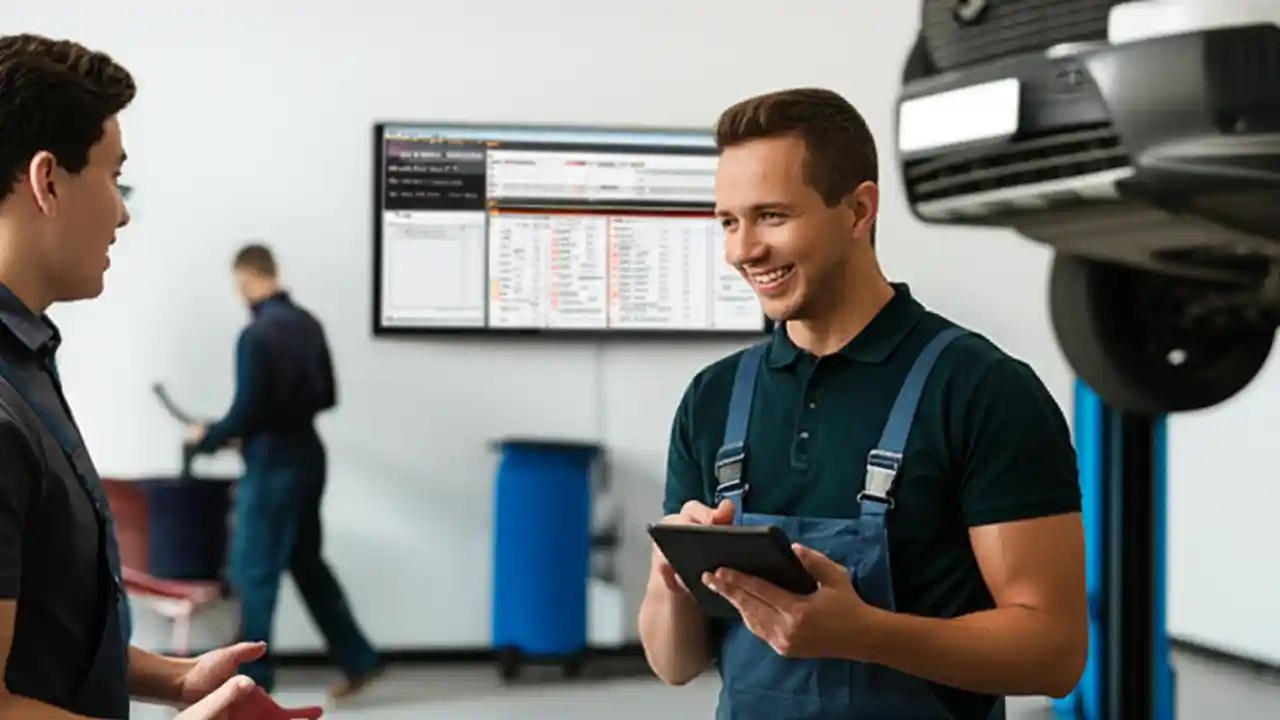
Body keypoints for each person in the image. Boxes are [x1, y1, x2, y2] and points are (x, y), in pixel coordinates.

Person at [638, 88, 1088, 719]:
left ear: (858, 211)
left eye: (771, 216)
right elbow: (675, 663)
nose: (742, 251)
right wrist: (671, 581)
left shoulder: (983, 391)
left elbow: (1054, 654)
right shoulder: (712, 399)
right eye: (729, 222)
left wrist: (864, 633)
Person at [0, 33, 321, 720]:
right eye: (114, 177)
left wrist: (175, 679)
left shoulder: (26, 361)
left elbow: (43, 633)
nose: (122, 212)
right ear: (47, 181)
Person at [184, 244, 383, 700]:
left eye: (239, 286)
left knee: (253, 572)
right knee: (306, 562)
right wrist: (265, 422)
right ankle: (359, 659)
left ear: (248, 278)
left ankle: (251, 683)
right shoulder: (309, 323)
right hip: (309, 457)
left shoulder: (255, 335)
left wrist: (208, 436)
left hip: (272, 463)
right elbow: (327, 396)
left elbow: (246, 410)